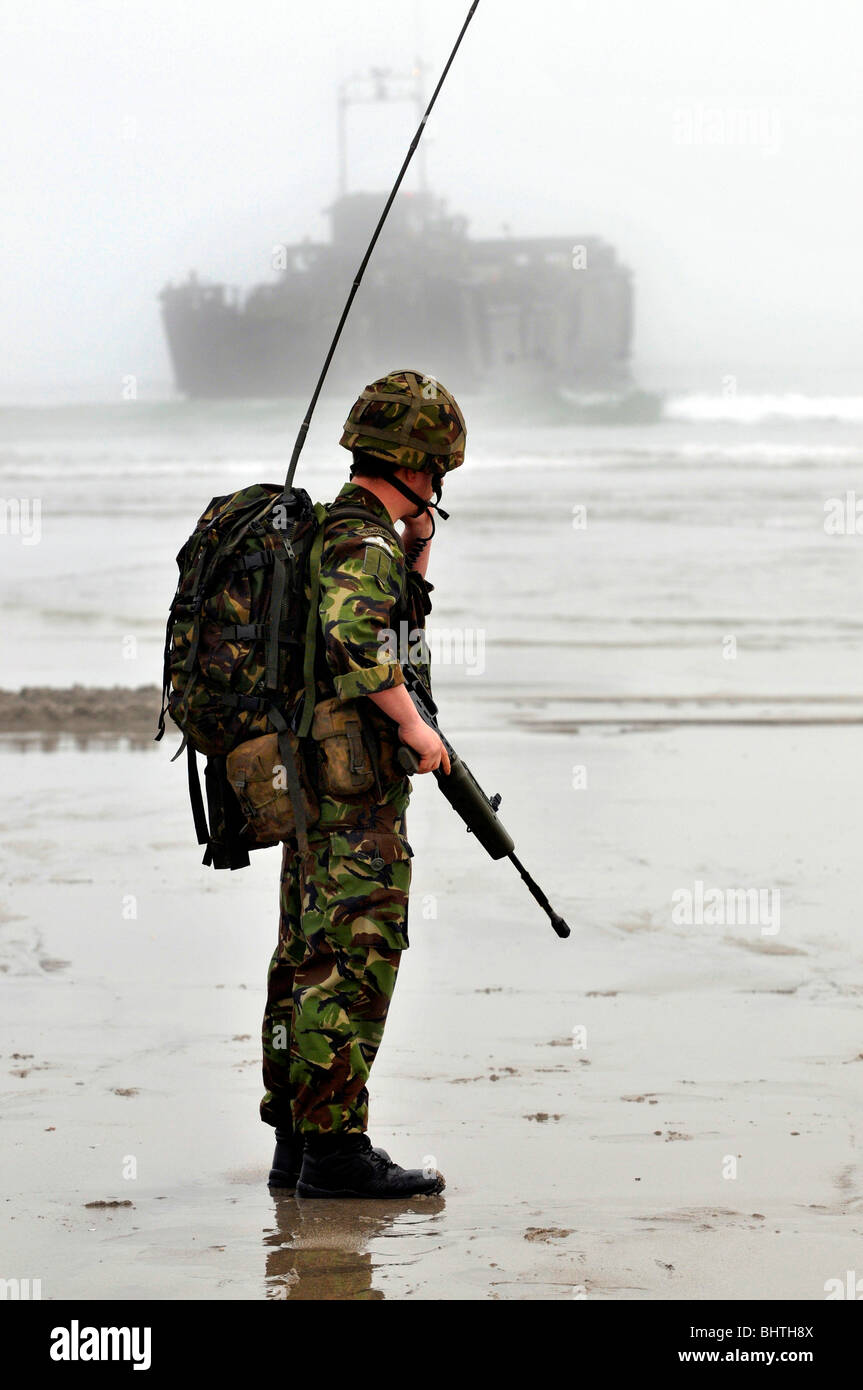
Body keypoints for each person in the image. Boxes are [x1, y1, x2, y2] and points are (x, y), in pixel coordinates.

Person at [260, 369, 465, 1198]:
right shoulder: (359, 540)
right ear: (419, 462)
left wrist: (417, 535)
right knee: (354, 959)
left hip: (314, 783)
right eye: (437, 469)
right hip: (352, 791)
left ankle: (297, 1147)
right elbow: (356, 639)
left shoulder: (335, 528)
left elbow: (385, 608)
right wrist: (416, 727)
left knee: (304, 959)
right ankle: (337, 1156)